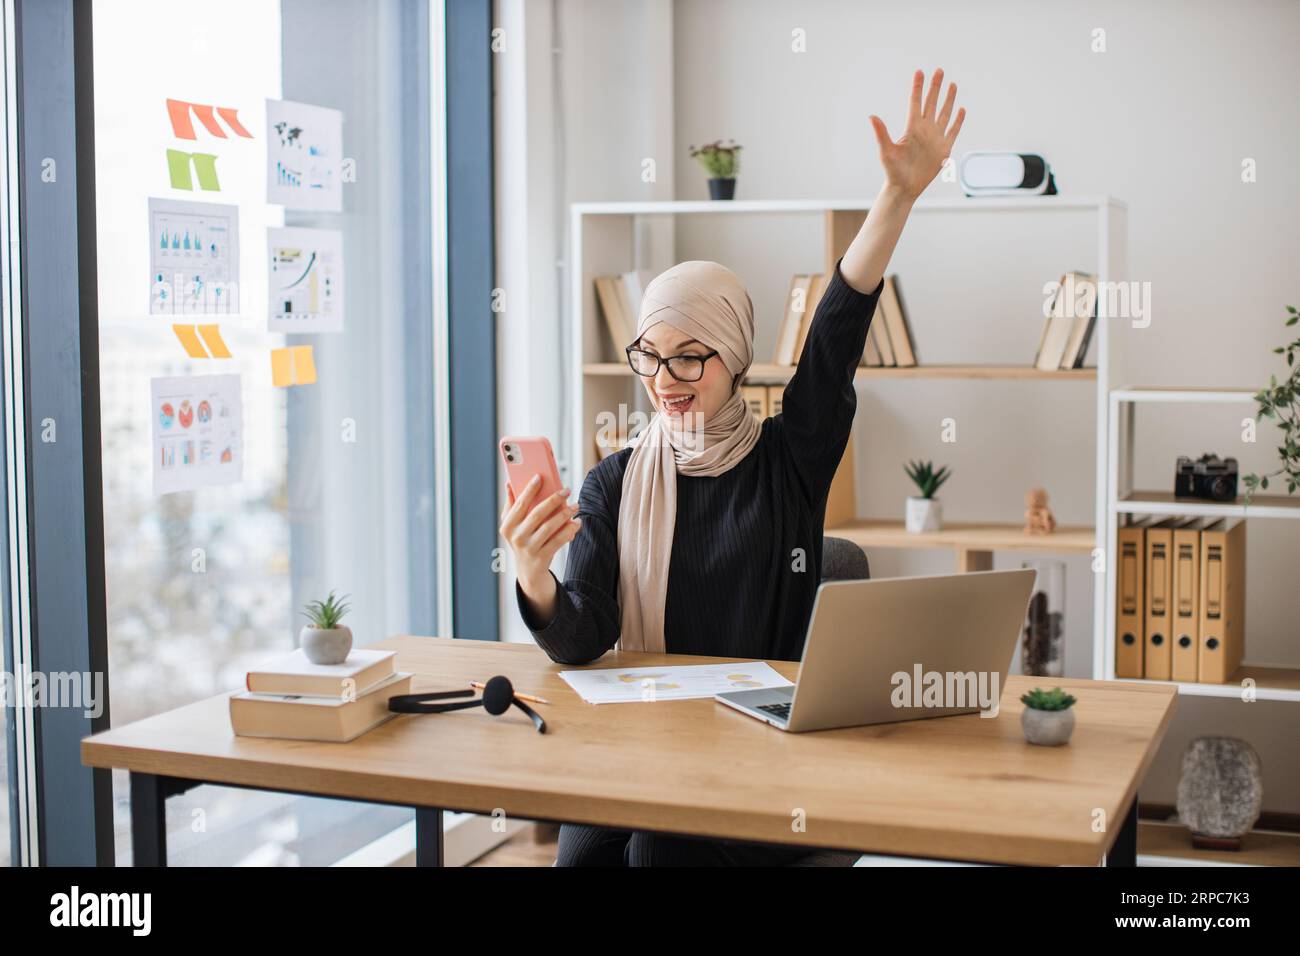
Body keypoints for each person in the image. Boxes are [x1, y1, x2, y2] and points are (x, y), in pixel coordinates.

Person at [499, 69, 966, 866]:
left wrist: (896, 199)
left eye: (692, 357)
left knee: (657, 855)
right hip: (648, 745)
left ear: (738, 360)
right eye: (651, 355)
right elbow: (584, 640)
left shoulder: (792, 458)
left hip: (768, 758)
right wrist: (534, 576)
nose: (666, 380)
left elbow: (834, 335)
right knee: (581, 857)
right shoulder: (614, 483)